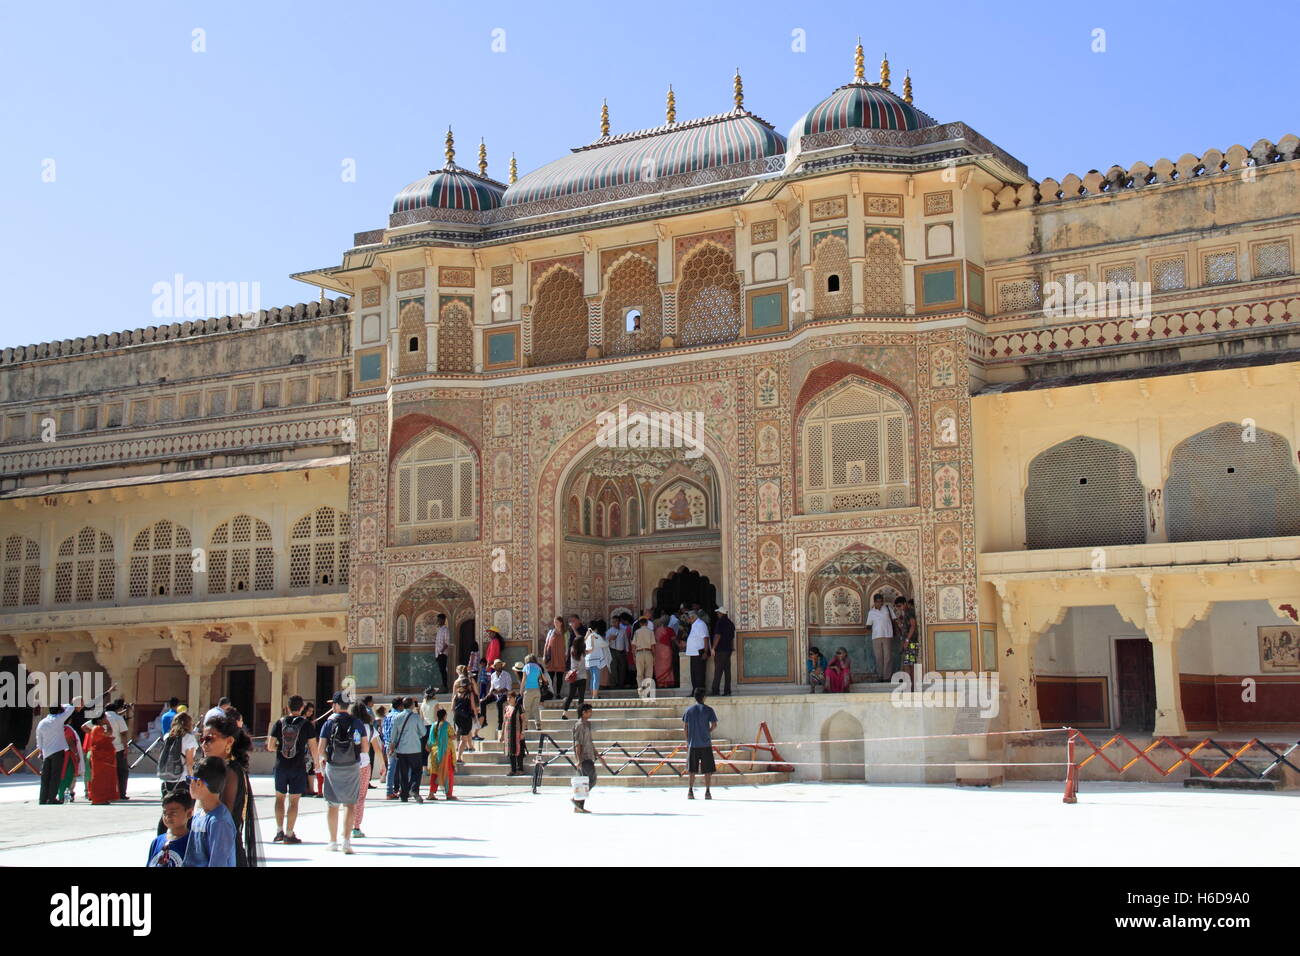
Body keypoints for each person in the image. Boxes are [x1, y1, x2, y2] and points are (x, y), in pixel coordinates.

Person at [201, 713, 261, 867]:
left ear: (229, 741)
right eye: (202, 739)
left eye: (210, 738)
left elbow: (224, 816)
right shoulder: (210, 769)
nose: (204, 744)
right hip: (207, 842)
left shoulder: (231, 772)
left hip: (224, 849)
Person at [268, 695, 316, 845]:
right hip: (298, 766)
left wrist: (281, 748)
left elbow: (270, 746)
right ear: (302, 708)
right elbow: (313, 747)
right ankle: (289, 833)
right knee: (294, 801)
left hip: (281, 765)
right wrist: (318, 764)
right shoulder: (307, 725)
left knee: (279, 798)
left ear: (287, 707)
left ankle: (278, 831)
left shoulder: (279, 722)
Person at [317, 694, 362, 853]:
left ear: (336, 705)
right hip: (352, 766)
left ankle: (332, 841)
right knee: (350, 804)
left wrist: (322, 760)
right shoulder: (356, 722)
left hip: (333, 766)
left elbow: (321, 749)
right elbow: (364, 748)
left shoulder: (329, 723)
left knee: (332, 804)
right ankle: (347, 841)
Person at [183, 756, 236, 867]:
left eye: (190, 780)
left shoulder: (219, 821)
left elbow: (218, 861)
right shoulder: (199, 814)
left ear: (199, 783)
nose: (189, 784)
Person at [35, 697, 83, 804]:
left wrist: (40, 751)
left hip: (46, 753)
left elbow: (39, 738)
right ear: (58, 710)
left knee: (45, 777)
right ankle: (52, 798)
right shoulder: (59, 720)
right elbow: (70, 707)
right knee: (55, 776)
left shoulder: (42, 723)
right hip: (58, 751)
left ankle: (42, 798)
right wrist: (62, 706)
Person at [351, 702, 384, 839]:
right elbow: (377, 749)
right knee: (360, 797)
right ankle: (356, 827)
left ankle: (347, 824)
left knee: (349, 796)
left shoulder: (350, 726)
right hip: (364, 764)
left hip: (348, 764)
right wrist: (383, 764)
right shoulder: (370, 728)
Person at [388, 692, 427, 803]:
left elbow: (393, 735)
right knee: (416, 770)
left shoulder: (397, 717)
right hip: (414, 748)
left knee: (403, 773)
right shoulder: (416, 717)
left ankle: (404, 794)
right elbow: (423, 732)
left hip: (401, 750)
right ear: (412, 705)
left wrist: (392, 747)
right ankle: (414, 789)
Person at [682, 689, 718, 800]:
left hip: (693, 744)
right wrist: (708, 731)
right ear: (703, 697)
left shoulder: (689, 710)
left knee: (692, 770)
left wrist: (688, 741)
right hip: (705, 744)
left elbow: (685, 727)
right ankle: (707, 791)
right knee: (707, 770)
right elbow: (714, 724)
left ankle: (690, 791)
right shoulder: (709, 710)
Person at [156, 710, 197, 800]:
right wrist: (193, 779)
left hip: (167, 778)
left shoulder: (167, 736)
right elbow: (190, 763)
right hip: (182, 779)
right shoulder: (189, 738)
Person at [147, 789, 193, 867]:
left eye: (173, 813)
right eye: (165, 812)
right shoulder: (157, 841)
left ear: (189, 813)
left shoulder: (193, 843)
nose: (168, 817)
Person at [83, 713, 119, 805]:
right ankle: (98, 799)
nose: (106, 719)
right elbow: (109, 734)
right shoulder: (98, 728)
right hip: (100, 757)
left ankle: (102, 798)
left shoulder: (97, 728)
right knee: (99, 779)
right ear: (100, 719)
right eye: (105, 718)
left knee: (104, 778)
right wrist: (108, 724)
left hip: (102, 757)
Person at [426, 708, 458, 800]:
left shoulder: (433, 725)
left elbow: (430, 740)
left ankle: (431, 794)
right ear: (444, 716)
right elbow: (453, 736)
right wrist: (456, 734)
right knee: (448, 773)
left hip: (434, 752)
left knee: (435, 773)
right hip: (445, 753)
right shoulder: (446, 725)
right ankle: (449, 794)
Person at [104, 699, 131, 800]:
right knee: (122, 771)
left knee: (106, 771)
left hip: (104, 748)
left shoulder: (100, 718)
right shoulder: (118, 718)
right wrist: (126, 747)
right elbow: (123, 733)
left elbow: (85, 726)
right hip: (118, 748)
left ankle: (106, 792)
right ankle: (121, 793)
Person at [571, 703, 596, 813]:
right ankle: (577, 800)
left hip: (589, 754)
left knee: (585, 781)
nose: (591, 713)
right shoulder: (579, 725)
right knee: (591, 780)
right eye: (589, 711)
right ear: (583, 712)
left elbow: (590, 741)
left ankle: (578, 805)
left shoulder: (587, 724)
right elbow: (578, 743)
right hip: (584, 756)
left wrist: (596, 753)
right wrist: (578, 760)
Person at [867, 593, 895, 683]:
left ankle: (887, 677)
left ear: (882, 601)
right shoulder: (871, 612)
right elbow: (868, 624)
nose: (879, 603)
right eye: (877, 602)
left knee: (888, 657)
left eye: (881, 601)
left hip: (887, 635)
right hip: (876, 637)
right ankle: (880, 675)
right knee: (878, 657)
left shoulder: (887, 609)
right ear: (874, 602)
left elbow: (894, 619)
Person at [56, 720, 85, 803]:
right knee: (67, 776)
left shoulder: (57, 728)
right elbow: (70, 742)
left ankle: (64, 795)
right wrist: (76, 754)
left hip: (61, 755)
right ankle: (64, 796)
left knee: (63, 776)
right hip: (68, 756)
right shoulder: (66, 729)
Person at [560, 633, 588, 718]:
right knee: (581, 697)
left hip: (573, 676)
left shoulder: (572, 649)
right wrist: (590, 637)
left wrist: (585, 636)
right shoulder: (583, 652)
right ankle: (580, 716)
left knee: (570, 696)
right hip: (582, 676)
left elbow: (579, 642)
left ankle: (564, 713)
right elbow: (591, 648)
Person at [502, 689, 528, 776]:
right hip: (508, 733)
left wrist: (523, 732)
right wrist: (502, 734)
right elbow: (504, 722)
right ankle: (513, 769)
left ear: (514, 698)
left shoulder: (519, 707)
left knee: (519, 751)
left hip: (517, 732)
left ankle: (520, 769)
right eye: (508, 697)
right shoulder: (506, 708)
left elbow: (523, 720)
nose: (509, 699)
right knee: (510, 751)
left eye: (510, 697)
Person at [710, 607, 735, 697]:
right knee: (727, 671)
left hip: (720, 650)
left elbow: (717, 635)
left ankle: (715, 690)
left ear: (721, 613)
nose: (717, 614)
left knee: (718, 670)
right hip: (728, 650)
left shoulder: (720, 622)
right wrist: (731, 648)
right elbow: (732, 637)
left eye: (718, 613)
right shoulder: (731, 623)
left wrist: (713, 648)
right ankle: (727, 691)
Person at [382, 696, 404, 799]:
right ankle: (402, 790)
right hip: (397, 745)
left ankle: (389, 791)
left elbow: (383, 731)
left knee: (391, 769)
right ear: (400, 705)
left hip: (387, 745)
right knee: (403, 769)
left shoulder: (387, 716)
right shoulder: (399, 716)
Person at [684, 610, 710, 694]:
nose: (686, 620)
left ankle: (700, 693)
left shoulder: (700, 624)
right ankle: (695, 692)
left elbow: (705, 638)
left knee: (699, 674)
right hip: (693, 653)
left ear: (692, 617)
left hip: (699, 653)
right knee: (694, 675)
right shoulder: (694, 625)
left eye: (687, 618)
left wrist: (706, 652)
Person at [543, 616, 569, 696]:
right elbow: (546, 644)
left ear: (561, 623)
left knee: (559, 677)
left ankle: (558, 693)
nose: (555, 624)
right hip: (551, 658)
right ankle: (550, 693)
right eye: (554, 622)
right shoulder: (550, 632)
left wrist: (566, 656)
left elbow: (567, 646)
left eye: (557, 622)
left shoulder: (565, 633)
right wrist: (544, 655)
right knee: (550, 677)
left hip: (561, 658)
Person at [452, 679, 475, 763]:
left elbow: (452, 708)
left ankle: (470, 746)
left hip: (458, 717)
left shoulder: (456, 695)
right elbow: (472, 706)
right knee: (464, 738)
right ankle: (458, 757)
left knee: (465, 733)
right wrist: (475, 715)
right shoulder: (469, 694)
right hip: (466, 718)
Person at [585, 622, 609, 699]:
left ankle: (593, 694)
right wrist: (608, 640)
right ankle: (595, 695)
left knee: (592, 677)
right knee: (596, 677)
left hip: (589, 659)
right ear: (596, 629)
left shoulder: (588, 637)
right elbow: (604, 644)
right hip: (595, 659)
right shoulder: (596, 636)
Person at [520, 654, 545, 731]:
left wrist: (521, 689)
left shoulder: (526, 667)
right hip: (537, 690)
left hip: (528, 690)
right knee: (535, 709)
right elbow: (543, 678)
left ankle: (525, 725)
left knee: (526, 709)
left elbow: (524, 679)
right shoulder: (538, 667)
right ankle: (538, 725)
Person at [632, 617, 656, 691]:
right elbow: (653, 645)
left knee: (639, 673)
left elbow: (633, 645)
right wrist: (654, 656)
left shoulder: (637, 632)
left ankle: (640, 688)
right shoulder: (650, 632)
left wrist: (634, 656)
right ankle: (647, 690)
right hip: (648, 652)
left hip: (639, 653)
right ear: (647, 623)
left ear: (640, 624)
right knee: (649, 673)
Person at [654, 616, 677, 688]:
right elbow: (674, 640)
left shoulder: (657, 630)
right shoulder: (670, 630)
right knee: (667, 666)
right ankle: (667, 683)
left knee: (659, 666)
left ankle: (660, 683)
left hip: (658, 650)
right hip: (667, 649)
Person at [606, 617, 628, 690]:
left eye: (615, 622)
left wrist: (627, 650)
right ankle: (614, 684)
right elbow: (605, 642)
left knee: (622, 668)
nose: (614, 623)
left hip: (621, 652)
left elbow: (626, 641)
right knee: (614, 668)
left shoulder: (623, 631)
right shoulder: (609, 631)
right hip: (613, 651)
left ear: (619, 622)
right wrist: (610, 639)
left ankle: (621, 684)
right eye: (612, 622)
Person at [434, 613, 451, 691]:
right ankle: (443, 686)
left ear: (443, 620)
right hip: (438, 654)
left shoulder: (445, 630)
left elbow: (447, 643)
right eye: (438, 620)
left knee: (443, 670)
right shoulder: (439, 630)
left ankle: (445, 687)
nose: (438, 621)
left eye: (439, 620)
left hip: (443, 654)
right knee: (441, 670)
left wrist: (441, 652)